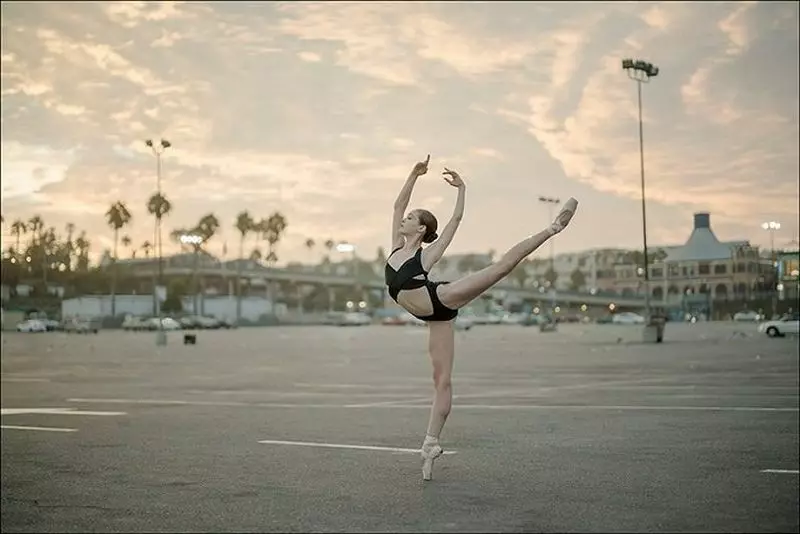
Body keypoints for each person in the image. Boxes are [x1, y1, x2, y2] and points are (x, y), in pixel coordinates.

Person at [385, 154, 579, 481]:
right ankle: (431, 444)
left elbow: (455, 222)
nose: (404, 218)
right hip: (435, 319)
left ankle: (552, 228)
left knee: (500, 268)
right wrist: (414, 174)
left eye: (411, 217)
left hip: (440, 299)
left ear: (421, 228)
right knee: (441, 382)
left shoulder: (426, 255)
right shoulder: (394, 247)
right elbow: (396, 205)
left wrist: (462, 188)